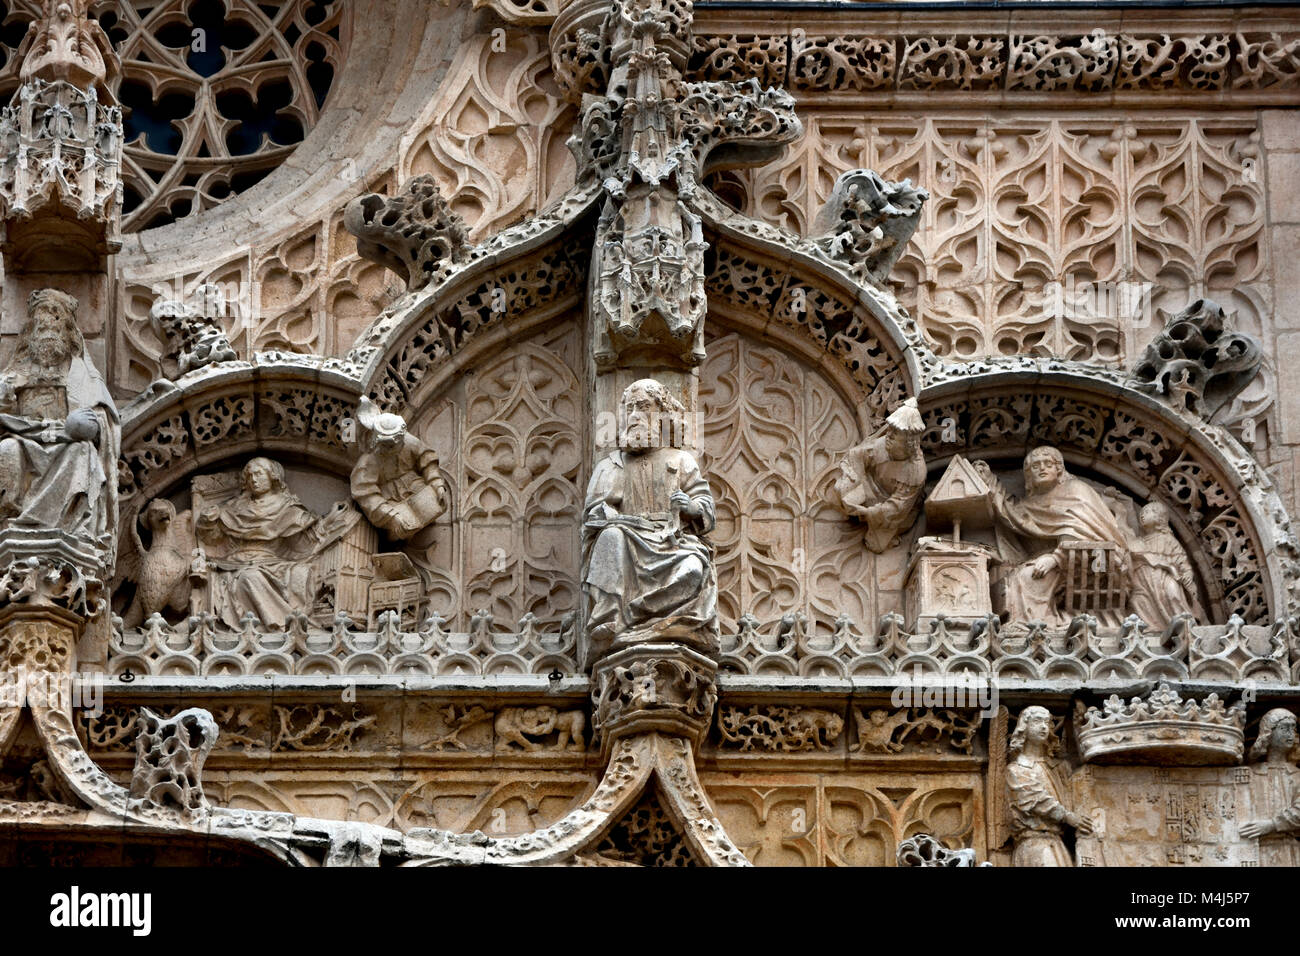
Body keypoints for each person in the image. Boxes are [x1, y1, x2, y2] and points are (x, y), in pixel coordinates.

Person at [582, 379, 718, 664]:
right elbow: (593, 514)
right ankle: (610, 617)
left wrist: (690, 506)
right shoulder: (611, 465)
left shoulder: (681, 461)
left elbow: (706, 507)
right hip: (629, 537)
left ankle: (639, 614)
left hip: (671, 542)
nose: (634, 415)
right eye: (629, 408)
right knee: (610, 536)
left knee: (693, 568)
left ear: (661, 414)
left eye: (643, 407)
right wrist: (607, 515)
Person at [0, 288, 118, 557]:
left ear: (68, 332)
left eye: (55, 321)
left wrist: (87, 422)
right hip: (23, 442)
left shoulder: (81, 372)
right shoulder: (15, 372)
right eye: (41, 325)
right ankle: (12, 520)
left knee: (83, 452)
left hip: (65, 443)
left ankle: (72, 529)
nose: (48, 328)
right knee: (5, 451)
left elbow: (105, 421)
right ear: (31, 333)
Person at [196, 457, 355, 628]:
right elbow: (213, 539)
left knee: (274, 574)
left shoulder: (287, 508)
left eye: (259, 474)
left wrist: (329, 521)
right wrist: (208, 521)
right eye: (249, 476)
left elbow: (302, 543)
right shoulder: (234, 507)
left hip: (270, 563)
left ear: (273, 477)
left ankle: (288, 623)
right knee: (235, 575)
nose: (254, 480)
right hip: (233, 563)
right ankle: (279, 625)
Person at [977, 446, 1128, 625]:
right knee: (1013, 577)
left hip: (1094, 562)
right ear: (1028, 475)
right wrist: (990, 482)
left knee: (1028, 577)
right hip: (1066, 561)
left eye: (1048, 463)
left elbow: (1087, 534)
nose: (1042, 468)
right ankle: (1042, 623)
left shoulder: (1077, 490)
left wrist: (1055, 559)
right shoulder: (1033, 503)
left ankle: (1038, 626)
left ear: (1059, 469)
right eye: (1035, 466)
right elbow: (1014, 514)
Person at [832, 397, 926, 552]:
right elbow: (857, 455)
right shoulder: (884, 444)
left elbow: (897, 508)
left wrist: (868, 512)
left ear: (909, 442)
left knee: (876, 545)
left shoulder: (915, 472)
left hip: (894, 511)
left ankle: (880, 529)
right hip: (870, 485)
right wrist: (854, 482)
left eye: (895, 433)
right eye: (889, 429)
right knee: (841, 490)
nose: (888, 435)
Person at [1006, 705, 1092, 866]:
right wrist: (1068, 816)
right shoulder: (1017, 769)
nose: (1044, 726)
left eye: (1047, 722)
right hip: (1035, 843)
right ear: (1024, 727)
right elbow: (1035, 800)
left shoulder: (1058, 768)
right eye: (1037, 721)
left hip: (1057, 842)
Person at [350, 397, 447, 539]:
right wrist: (390, 516)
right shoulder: (369, 461)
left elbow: (427, 460)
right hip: (390, 502)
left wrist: (437, 484)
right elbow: (366, 493)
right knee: (401, 528)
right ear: (381, 444)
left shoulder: (407, 441)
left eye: (399, 442)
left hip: (416, 488)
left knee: (435, 505)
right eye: (391, 446)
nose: (398, 447)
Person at [1239, 709, 1300, 865]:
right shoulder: (1251, 773)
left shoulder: (1296, 774)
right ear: (1268, 733)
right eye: (1284, 728)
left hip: (1287, 848)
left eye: (1293, 728)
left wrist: (1272, 824)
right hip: (1252, 849)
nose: (1290, 734)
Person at [1129, 501, 1203, 628]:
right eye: (1141, 513)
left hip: (1164, 578)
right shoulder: (1138, 542)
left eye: (1147, 512)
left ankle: (1183, 625)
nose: (1142, 515)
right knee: (1137, 601)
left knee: (1173, 594)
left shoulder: (1168, 539)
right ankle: (1152, 627)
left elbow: (1181, 560)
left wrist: (1187, 574)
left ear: (1160, 517)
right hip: (1143, 582)